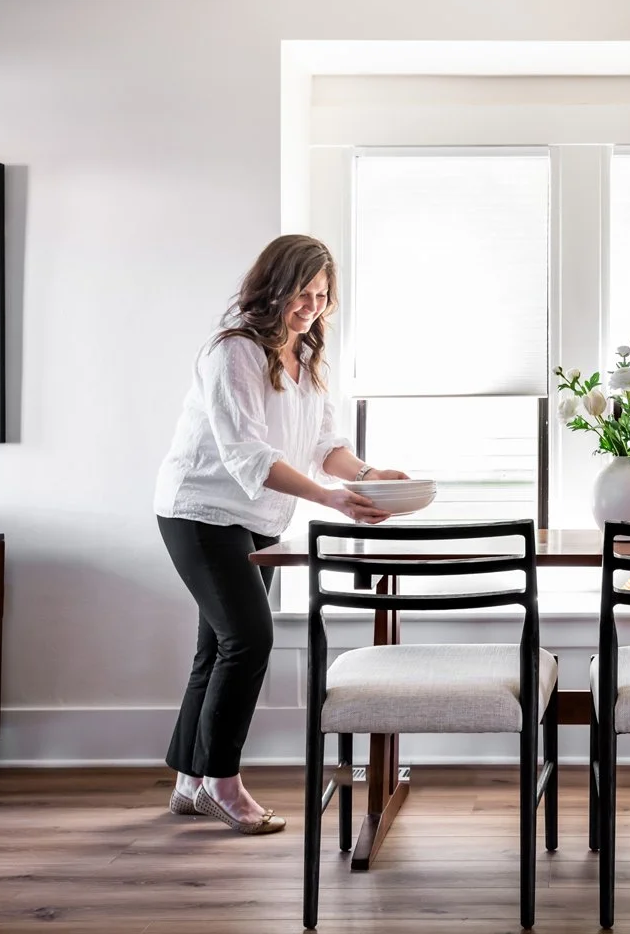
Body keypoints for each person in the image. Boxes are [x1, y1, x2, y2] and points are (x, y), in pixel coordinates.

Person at [153, 234, 406, 835]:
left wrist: (370, 478)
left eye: (322, 295)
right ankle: (222, 782)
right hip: (201, 510)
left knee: (217, 647)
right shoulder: (233, 352)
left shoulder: (307, 360)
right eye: (302, 292)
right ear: (273, 286)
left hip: (258, 519)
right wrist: (328, 499)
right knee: (247, 641)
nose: (311, 306)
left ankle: (190, 783)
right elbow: (247, 453)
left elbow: (325, 448)